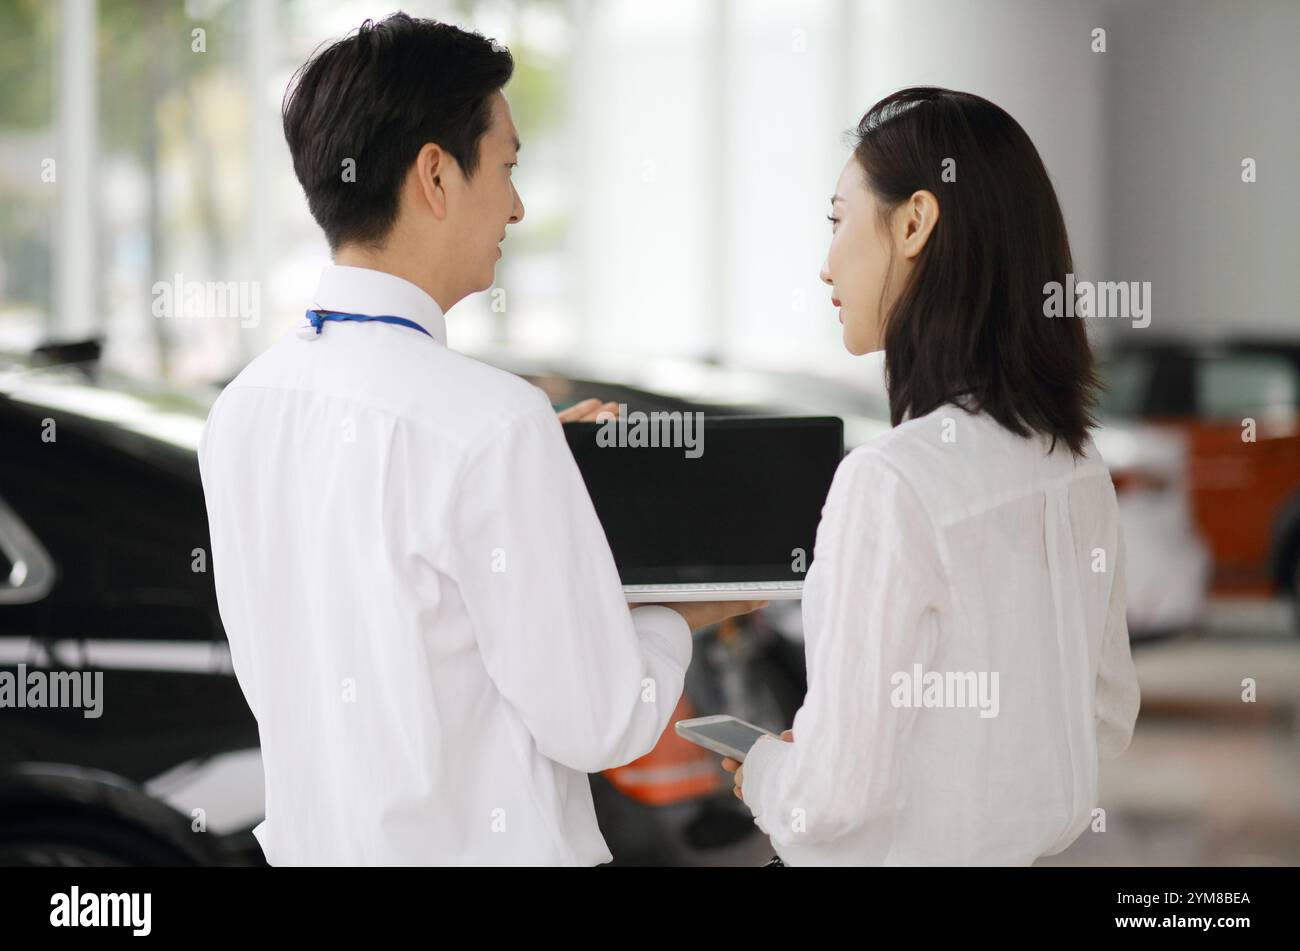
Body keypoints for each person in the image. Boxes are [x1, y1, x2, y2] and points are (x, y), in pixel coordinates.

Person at [198, 14, 761, 866]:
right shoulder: (491, 425)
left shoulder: (241, 411)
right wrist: (679, 613)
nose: (518, 204)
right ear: (435, 174)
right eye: (507, 167)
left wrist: (535, 470)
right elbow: (600, 722)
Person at [723, 87, 1141, 866]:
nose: (825, 265)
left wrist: (769, 770)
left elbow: (835, 795)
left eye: (837, 219)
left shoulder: (889, 482)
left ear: (914, 223)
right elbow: (1108, 713)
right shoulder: (1074, 465)